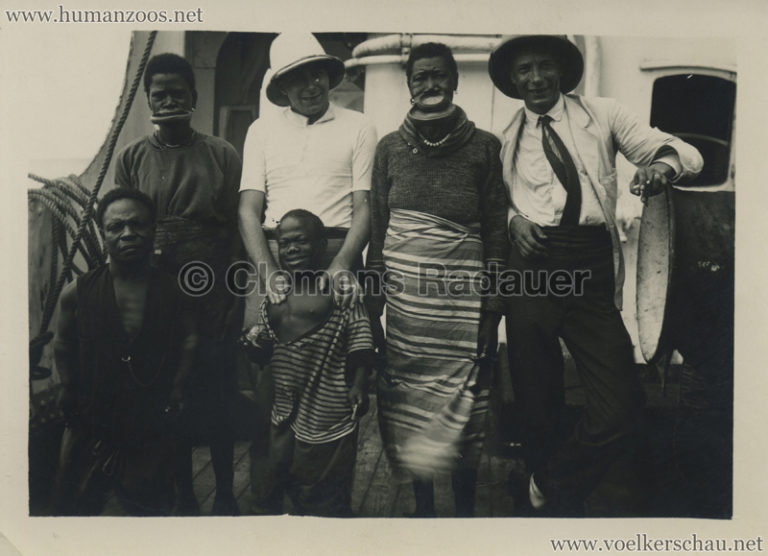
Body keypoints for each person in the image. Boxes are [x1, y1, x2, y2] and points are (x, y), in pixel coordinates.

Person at [487, 35, 703, 514]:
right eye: (525, 70)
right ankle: (546, 510)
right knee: (536, 402)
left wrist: (662, 169)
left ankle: (547, 483)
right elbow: (492, 204)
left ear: (562, 71)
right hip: (530, 269)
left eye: (545, 66)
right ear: (512, 79)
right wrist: (512, 221)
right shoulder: (503, 138)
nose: (536, 78)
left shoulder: (604, 115)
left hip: (588, 265)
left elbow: (684, 153)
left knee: (621, 406)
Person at [366, 42, 508, 517]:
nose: (430, 85)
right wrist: (374, 309)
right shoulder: (388, 149)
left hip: (462, 312)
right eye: (420, 77)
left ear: (454, 81)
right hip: (407, 314)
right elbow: (380, 227)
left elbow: (494, 231)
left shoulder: (485, 147)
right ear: (409, 87)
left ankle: (464, 516)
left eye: (438, 76)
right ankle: (424, 512)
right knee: (410, 411)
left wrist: (490, 311)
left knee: (466, 411)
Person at [115, 53, 243, 515]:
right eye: (159, 94)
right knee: (172, 397)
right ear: (148, 99)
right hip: (158, 294)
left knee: (220, 397)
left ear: (193, 97)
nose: (168, 100)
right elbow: (123, 228)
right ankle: (185, 495)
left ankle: (227, 494)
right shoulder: (131, 158)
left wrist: (234, 295)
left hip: (212, 289)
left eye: (177, 92)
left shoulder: (221, 154)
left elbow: (235, 230)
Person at [52, 188, 197, 516]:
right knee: (73, 500)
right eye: (116, 227)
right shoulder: (79, 292)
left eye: (137, 225)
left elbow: (189, 339)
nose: (128, 233)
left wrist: (178, 385)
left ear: (153, 229)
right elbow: (62, 342)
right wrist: (68, 386)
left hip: (149, 412)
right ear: (103, 235)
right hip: (93, 411)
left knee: (148, 501)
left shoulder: (173, 290)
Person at [240, 210, 374, 516]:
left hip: (326, 397)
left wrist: (358, 384)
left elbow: (360, 337)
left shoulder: (338, 291)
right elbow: (264, 350)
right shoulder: (276, 294)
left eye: (300, 241)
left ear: (322, 244)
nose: (292, 250)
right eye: (284, 244)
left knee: (323, 478)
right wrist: (254, 343)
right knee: (277, 465)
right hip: (284, 400)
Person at [238, 32, 377, 308]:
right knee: (262, 345)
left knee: (345, 345)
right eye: (298, 79)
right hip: (276, 253)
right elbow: (247, 210)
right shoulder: (261, 130)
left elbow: (365, 207)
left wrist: (341, 264)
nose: (311, 86)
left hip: (338, 251)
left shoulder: (359, 126)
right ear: (282, 87)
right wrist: (268, 272)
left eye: (317, 75)